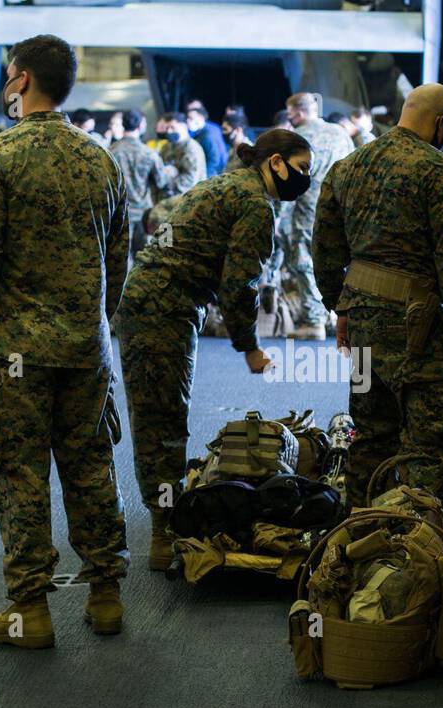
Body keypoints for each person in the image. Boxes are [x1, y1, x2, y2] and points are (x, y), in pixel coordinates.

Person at [0, 33, 130, 647]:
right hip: (86, 348)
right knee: (91, 466)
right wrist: (94, 321)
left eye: (8, 73)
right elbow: (117, 262)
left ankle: (29, 609)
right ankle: (106, 594)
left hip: (15, 352)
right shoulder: (102, 160)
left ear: (22, 79)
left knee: (18, 473)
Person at [115, 128, 312, 570]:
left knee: (155, 415)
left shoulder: (226, 183)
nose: (305, 179)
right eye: (301, 168)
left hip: (150, 299)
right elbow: (240, 284)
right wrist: (249, 347)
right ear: (275, 162)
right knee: (162, 420)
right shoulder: (254, 204)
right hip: (163, 308)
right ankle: (164, 528)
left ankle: (163, 514)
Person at [312, 83, 443, 505]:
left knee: (371, 433)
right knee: (428, 439)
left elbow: (324, 251)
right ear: (440, 124)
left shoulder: (347, 168)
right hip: (416, 328)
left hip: (362, 322)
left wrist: (341, 308)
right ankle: (421, 532)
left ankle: (359, 527)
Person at [284, 92, 354, 340]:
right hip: (341, 207)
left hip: (309, 209)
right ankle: (336, 317)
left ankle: (314, 321)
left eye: (290, 113)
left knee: (305, 260)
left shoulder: (296, 139)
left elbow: (289, 181)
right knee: (338, 261)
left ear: (298, 112)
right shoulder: (340, 133)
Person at [106, 108, 167, 253]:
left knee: (121, 257)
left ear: (123, 124)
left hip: (119, 213)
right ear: (140, 126)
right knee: (144, 256)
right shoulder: (149, 153)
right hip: (144, 213)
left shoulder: (110, 151)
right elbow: (161, 182)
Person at [156, 112, 206, 197]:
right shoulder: (167, 146)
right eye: (167, 128)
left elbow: (190, 180)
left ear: (184, 127)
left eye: (172, 127)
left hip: (189, 197)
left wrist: (167, 183)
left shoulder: (192, 149)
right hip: (171, 195)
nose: (169, 131)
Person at [184, 99, 228, 177]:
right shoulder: (201, 133)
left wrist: (204, 177)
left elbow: (214, 159)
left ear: (201, 118)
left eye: (191, 118)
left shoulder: (207, 135)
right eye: (187, 118)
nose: (187, 121)